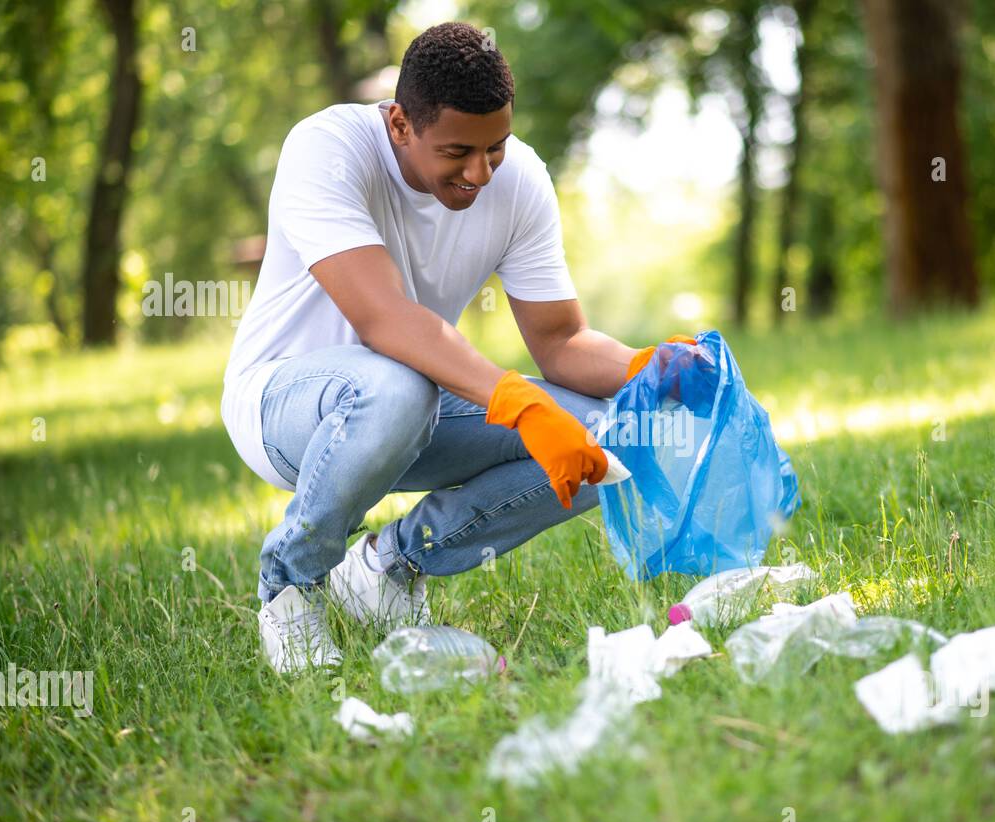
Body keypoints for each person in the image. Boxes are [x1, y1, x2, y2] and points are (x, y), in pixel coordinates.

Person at [220, 22, 694, 672]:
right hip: (285, 407)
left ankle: (386, 568)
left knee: (610, 434)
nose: (478, 172)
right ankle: (291, 586)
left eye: (494, 147)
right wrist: (522, 405)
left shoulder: (519, 180)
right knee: (398, 386)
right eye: (456, 152)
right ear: (399, 125)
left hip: (414, 408)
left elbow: (561, 341)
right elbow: (386, 321)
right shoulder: (326, 148)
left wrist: (646, 368)